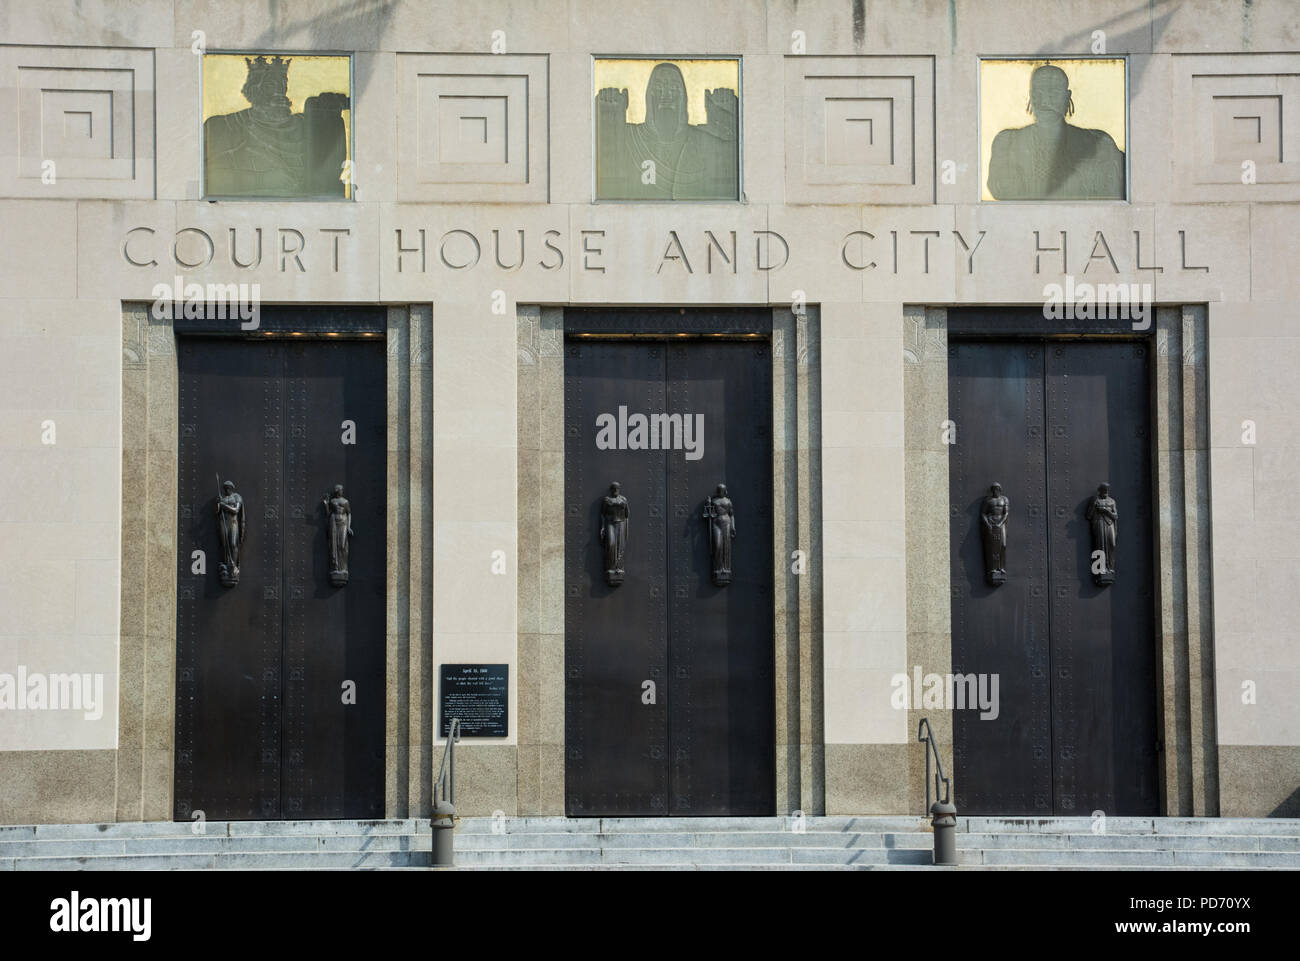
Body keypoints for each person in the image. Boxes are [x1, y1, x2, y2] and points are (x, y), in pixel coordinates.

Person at [204, 55, 350, 197]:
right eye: (270, 86)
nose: (279, 93)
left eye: (283, 85)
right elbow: (207, 176)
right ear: (253, 91)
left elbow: (326, 173)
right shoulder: (223, 126)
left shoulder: (304, 125)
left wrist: (328, 116)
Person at [596, 61, 738, 200]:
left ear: (684, 96)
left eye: (674, 88)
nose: (666, 95)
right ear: (648, 95)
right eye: (658, 88)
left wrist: (722, 113)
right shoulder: (630, 137)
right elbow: (604, 152)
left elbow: (730, 151)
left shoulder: (701, 140)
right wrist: (610, 111)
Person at [987, 63, 1124, 200]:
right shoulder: (1007, 144)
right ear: (1031, 95)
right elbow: (1001, 191)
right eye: (1039, 92)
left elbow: (1112, 193)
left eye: (1054, 92)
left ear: (1067, 96)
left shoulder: (1099, 144)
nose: (1046, 100)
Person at [599, 482, 629, 585]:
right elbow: (602, 514)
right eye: (614, 488)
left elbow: (626, 515)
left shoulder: (623, 499)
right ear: (611, 489)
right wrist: (602, 527)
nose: (615, 490)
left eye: (617, 488)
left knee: (620, 546)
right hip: (610, 523)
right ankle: (610, 567)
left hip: (620, 523)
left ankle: (619, 568)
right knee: (611, 544)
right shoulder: (606, 500)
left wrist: (625, 529)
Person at [980, 483, 1009, 585]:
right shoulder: (988, 500)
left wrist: (1001, 523)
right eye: (994, 489)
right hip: (991, 523)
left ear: (1000, 490)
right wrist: (988, 524)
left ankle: (1001, 568)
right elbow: (983, 513)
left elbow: (1006, 513)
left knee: (1003, 545)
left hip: (1001, 525)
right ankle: (992, 569)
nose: (995, 491)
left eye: (997, 489)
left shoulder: (1004, 499)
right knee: (992, 547)